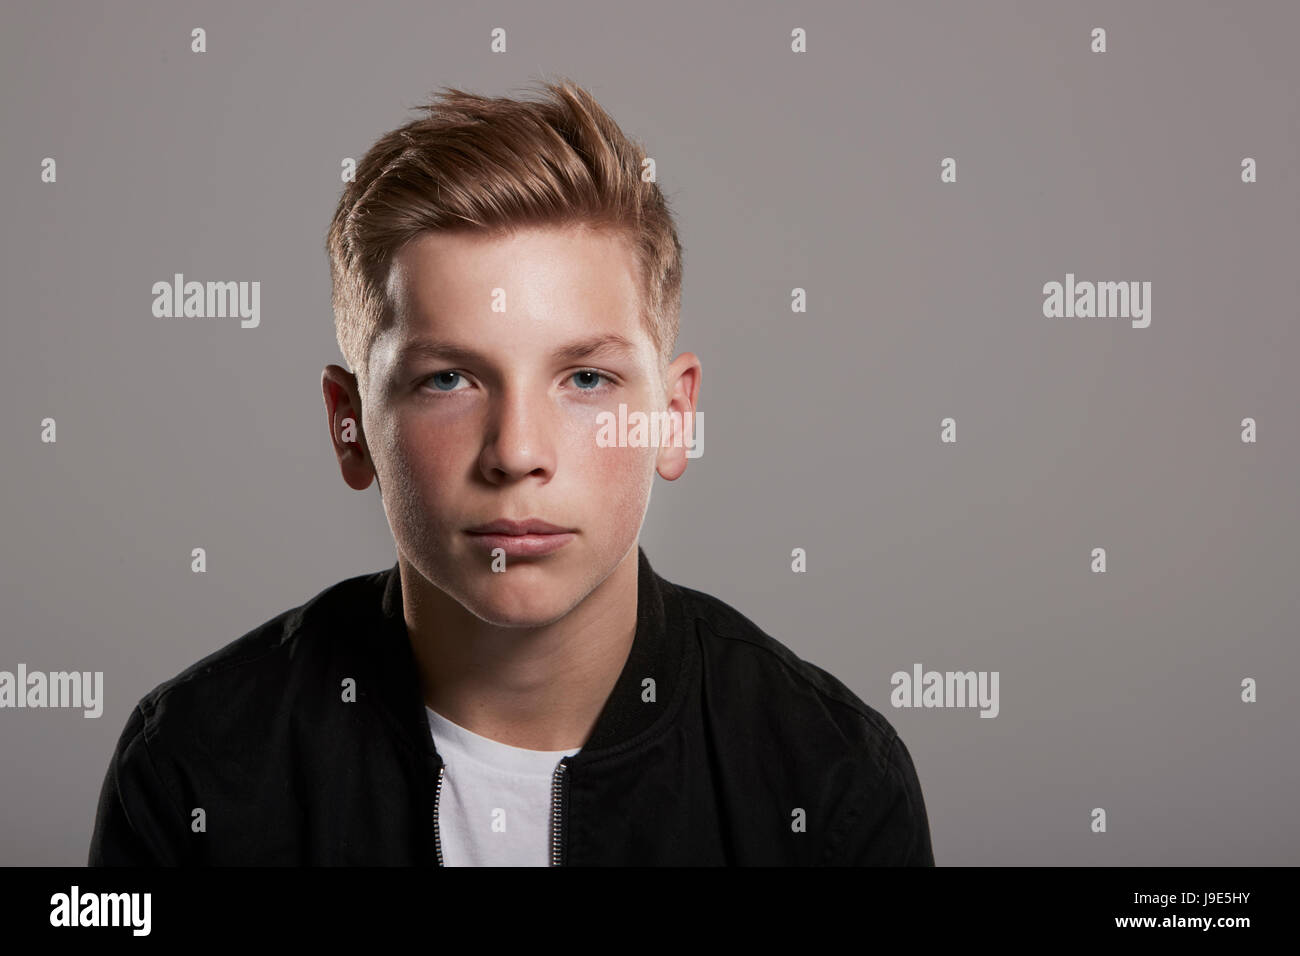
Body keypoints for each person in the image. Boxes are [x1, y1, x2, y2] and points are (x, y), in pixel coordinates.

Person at [88, 77, 934, 866]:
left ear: (674, 419)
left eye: (586, 380)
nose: (517, 452)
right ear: (350, 428)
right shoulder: (195, 769)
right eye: (447, 379)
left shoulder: (828, 784)